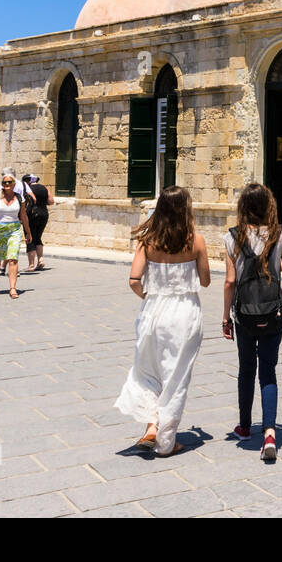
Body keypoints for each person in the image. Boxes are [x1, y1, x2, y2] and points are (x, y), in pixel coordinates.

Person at [114, 186, 210, 457]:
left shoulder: (147, 241)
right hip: (184, 313)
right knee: (176, 376)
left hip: (153, 311)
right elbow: (204, 280)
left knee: (148, 371)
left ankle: (152, 426)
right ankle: (166, 441)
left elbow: (134, 280)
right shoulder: (197, 241)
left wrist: (150, 295)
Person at [223, 182, 282, 462]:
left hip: (245, 315)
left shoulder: (231, 237)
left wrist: (225, 317)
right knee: (268, 371)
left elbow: (230, 281)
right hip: (273, 314)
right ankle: (269, 433)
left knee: (245, 369)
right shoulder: (281, 233)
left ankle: (243, 426)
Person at [0, 172, 31, 298]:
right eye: (4, 182)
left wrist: (28, 233)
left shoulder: (20, 198)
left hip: (14, 229)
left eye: (9, 182)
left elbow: (23, 216)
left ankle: (13, 288)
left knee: (13, 258)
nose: (7, 184)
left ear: (14, 184)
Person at [24, 174, 52, 271]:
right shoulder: (45, 188)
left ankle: (31, 264)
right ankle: (40, 260)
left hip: (31, 215)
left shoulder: (27, 189)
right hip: (44, 214)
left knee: (30, 237)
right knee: (38, 237)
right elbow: (51, 201)